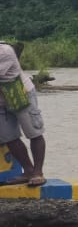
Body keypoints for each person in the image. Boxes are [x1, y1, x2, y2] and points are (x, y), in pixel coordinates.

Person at [0, 41, 47, 187]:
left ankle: (38, 172)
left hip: (22, 94)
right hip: (2, 100)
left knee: (33, 133)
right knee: (9, 137)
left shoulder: (4, 51)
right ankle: (28, 170)